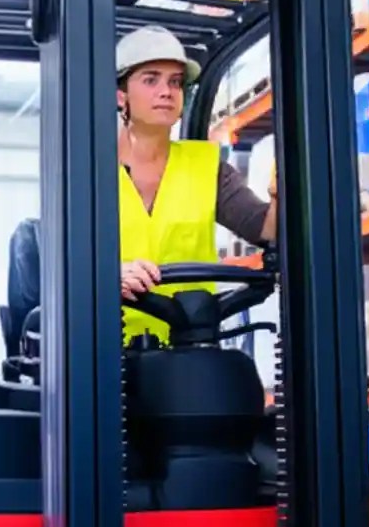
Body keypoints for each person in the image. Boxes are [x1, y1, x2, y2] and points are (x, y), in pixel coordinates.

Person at [116, 24, 277, 344]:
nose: (166, 91)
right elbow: (64, 262)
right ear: (121, 96)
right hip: (106, 349)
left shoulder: (206, 167)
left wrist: (283, 193)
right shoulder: (88, 171)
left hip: (192, 344)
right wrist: (110, 274)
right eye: (151, 80)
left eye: (175, 82)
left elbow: (265, 229)